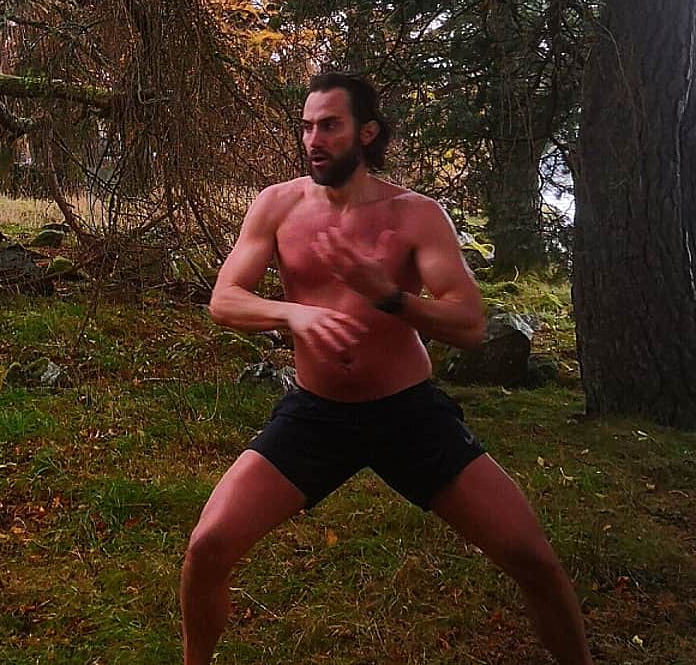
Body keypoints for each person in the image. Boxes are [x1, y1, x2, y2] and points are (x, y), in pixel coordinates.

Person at [181, 72, 593, 665]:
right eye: (306, 126)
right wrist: (292, 313)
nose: (313, 138)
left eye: (329, 125)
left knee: (531, 557)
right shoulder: (278, 205)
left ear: (366, 132)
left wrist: (390, 297)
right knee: (209, 545)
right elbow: (225, 298)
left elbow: (471, 324)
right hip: (315, 415)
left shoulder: (415, 215)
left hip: (408, 415)